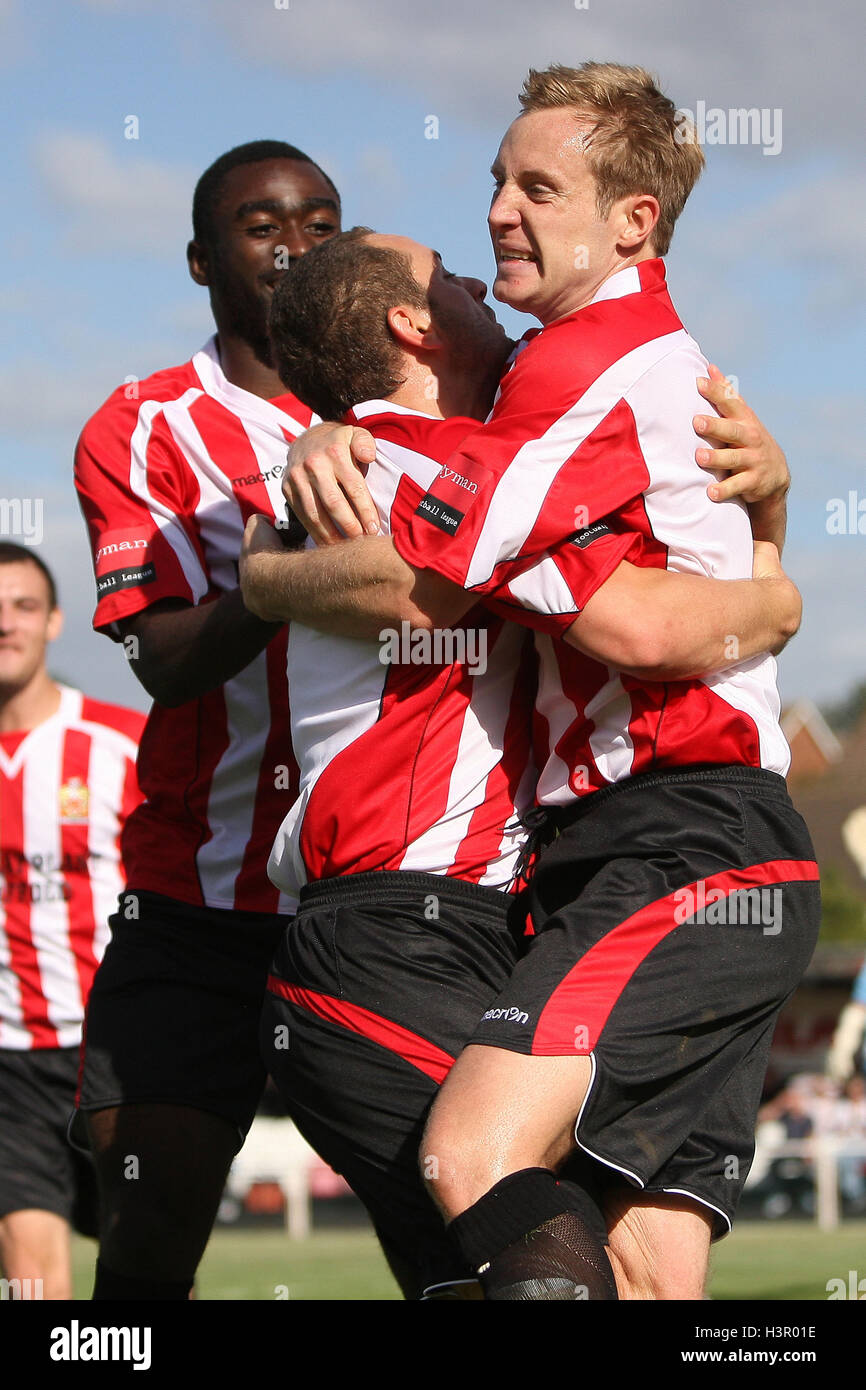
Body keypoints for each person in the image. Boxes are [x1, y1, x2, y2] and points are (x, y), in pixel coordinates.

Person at [241, 63, 820, 1300]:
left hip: (681, 844)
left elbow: (600, 613)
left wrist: (772, 568)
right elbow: (456, 579)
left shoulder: (574, 372)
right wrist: (771, 562)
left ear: (631, 221)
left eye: (534, 185)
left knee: (478, 1159)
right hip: (626, 862)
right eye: (492, 185)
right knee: (647, 1272)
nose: (497, 214)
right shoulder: (561, 384)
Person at [73, 140, 342, 1300]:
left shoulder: (413, 402)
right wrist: (272, 578)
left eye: (321, 223)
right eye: (262, 224)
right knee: (151, 1209)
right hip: (199, 894)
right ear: (199, 259)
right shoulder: (139, 429)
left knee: (450, 1202)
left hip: (379, 889)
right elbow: (164, 661)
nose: (295, 246)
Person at [0, 543, 144, 1299]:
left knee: (148, 1271)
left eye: (22, 606)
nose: (5, 626)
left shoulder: (122, 746)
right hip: (10, 1062)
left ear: (54, 621)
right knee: (34, 1284)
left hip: (118, 1051)